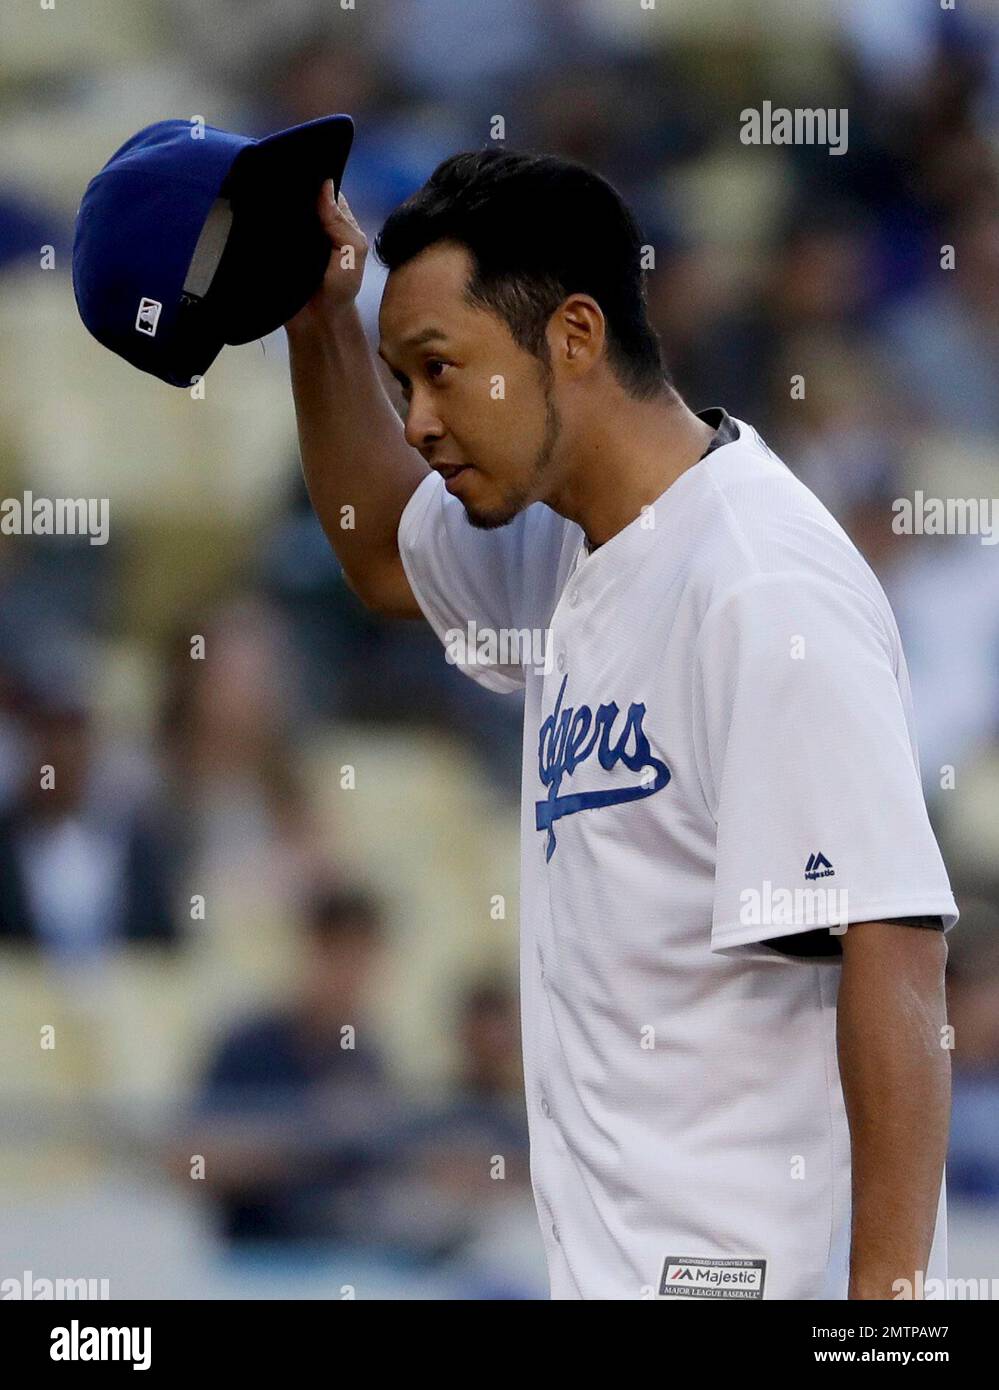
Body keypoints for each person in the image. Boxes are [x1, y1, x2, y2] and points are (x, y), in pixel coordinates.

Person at [283, 148, 958, 1300]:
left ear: (575, 338)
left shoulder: (759, 588)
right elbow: (376, 549)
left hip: (754, 1280)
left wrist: (889, 1312)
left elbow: (892, 950)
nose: (424, 424)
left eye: (442, 372)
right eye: (404, 388)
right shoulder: (561, 539)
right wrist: (315, 319)